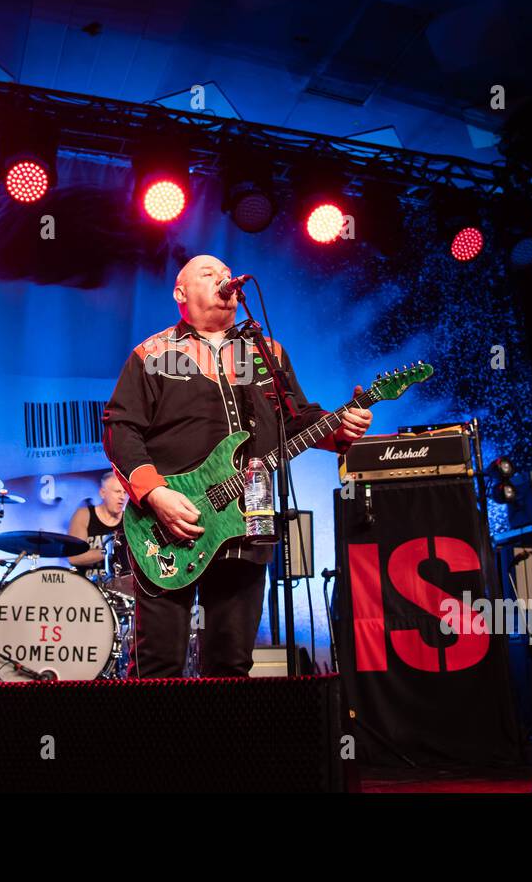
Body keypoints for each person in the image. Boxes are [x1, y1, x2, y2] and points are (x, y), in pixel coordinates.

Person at [102, 255, 372, 677]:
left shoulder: (266, 352)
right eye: (209, 274)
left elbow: (296, 419)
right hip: (169, 526)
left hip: (249, 521)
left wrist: (340, 428)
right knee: (158, 665)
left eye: (227, 273)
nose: (223, 279)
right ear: (180, 294)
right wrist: (156, 494)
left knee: (231, 663)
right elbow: (121, 429)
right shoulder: (153, 354)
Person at [66, 470, 127, 573]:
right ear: (103, 493)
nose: (122, 497)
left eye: (124, 492)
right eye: (117, 492)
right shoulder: (84, 515)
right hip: (88, 585)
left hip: (121, 585)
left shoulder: (128, 521)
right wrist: (109, 550)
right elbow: (74, 557)